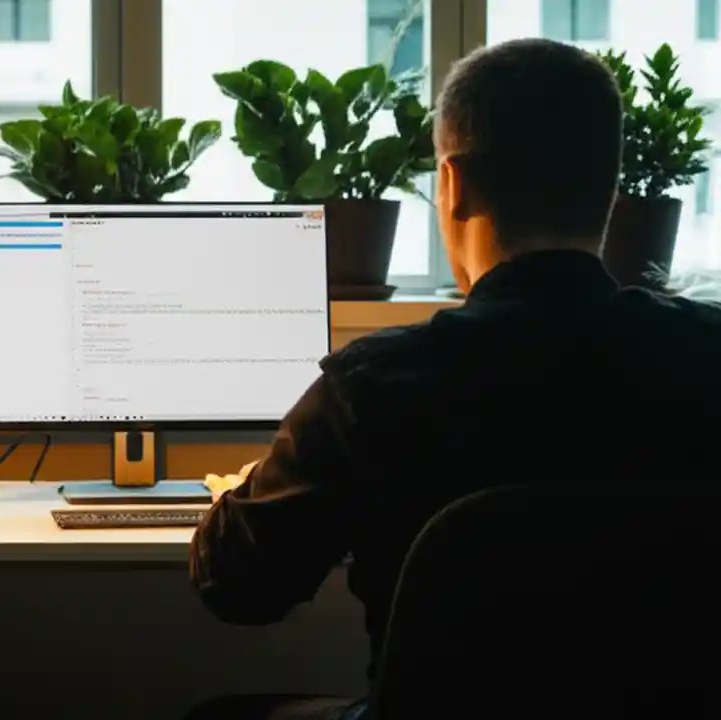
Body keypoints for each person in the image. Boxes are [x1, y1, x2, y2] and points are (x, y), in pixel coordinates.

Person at [187, 37, 721, 720]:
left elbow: (239, 589)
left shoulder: (375, 384)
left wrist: (239, 502)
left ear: (454, 185)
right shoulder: (707, 355)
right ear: (609, 189)